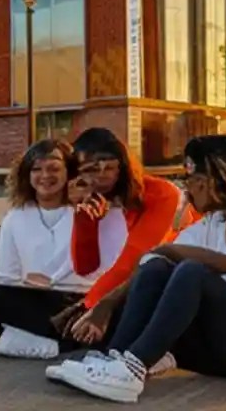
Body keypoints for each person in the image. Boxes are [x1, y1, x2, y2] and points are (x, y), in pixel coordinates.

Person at [52, 135, 226, 403]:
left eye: (192, 178)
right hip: (223, 352)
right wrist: (107, 303)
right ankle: (117, 359)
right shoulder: (215, 222)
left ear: (218, 179)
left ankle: (132, 369)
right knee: (157, 267)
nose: (187, 187)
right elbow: (156, 259)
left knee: (192, 272)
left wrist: (168, 251)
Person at [0, 139, 128, 360]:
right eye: (36, 169)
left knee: (112, 314)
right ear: (27, 176)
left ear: (69, 172)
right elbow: (7, 278)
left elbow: (108, 270)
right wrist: (32, 287)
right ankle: (69, 339)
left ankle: (44, 340)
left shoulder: (92, 210)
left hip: (82, 298)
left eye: (53, 168)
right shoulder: (15, 217)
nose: (45, 176)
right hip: (40, 300)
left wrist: (54, 281)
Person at [50, 127, 197, 347]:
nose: (100, 176)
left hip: (175, 291)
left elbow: (135, 260)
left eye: (108, 166)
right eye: (89, 170)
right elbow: (85, 266)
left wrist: (89, 306)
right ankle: (63, 338)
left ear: (123, 165)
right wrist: (84, 221)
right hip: (119, 289)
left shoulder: (162, 194)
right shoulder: (103, 202)